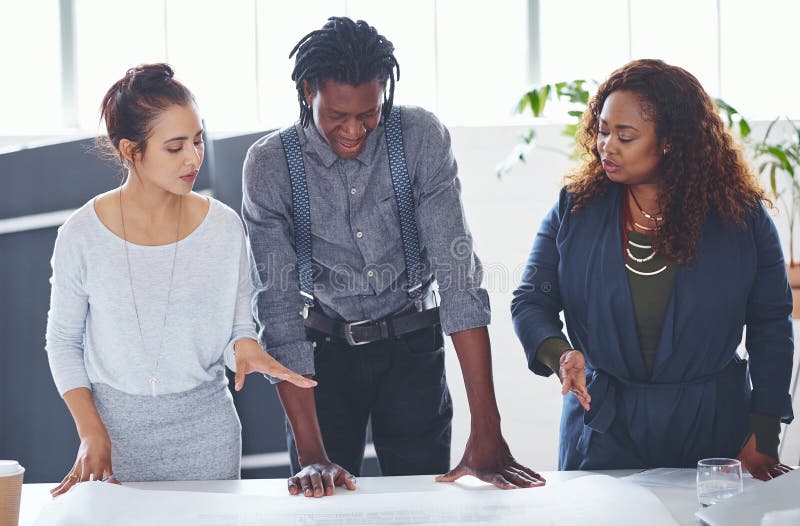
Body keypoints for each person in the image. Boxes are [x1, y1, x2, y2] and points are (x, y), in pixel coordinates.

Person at [242, 16, 544, 498]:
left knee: (420, 503)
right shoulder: (270, 164)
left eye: (368, 113)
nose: (354, 129)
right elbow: (276, 305)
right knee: (323, 502)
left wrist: (486, 427)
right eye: (337, 115)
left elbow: (458, 276)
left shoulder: (420, 136)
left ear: (383, 92)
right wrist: (312, 456)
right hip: (318, 361)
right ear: (306, 92)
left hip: (411, 349)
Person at [511, 59, 795, 479]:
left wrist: (765, 436)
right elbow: (531, 300)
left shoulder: (740, 218)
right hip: (602, 427)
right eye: (603, 130)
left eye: (625, 136)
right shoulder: (575, 209)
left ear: (670, 142)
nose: (607, 146)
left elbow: (771, 325)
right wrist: (560, 354)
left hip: (713, 429)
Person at [45, 63, 315, 496]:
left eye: (198, 140)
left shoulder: (225, 228)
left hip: (207, 436)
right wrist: (91, 431)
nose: (193, 158)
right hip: (113, 440)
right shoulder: (81, 234)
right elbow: (62, 341)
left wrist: (245, 349)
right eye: (175, 148)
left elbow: (236, 330)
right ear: (130, 150)